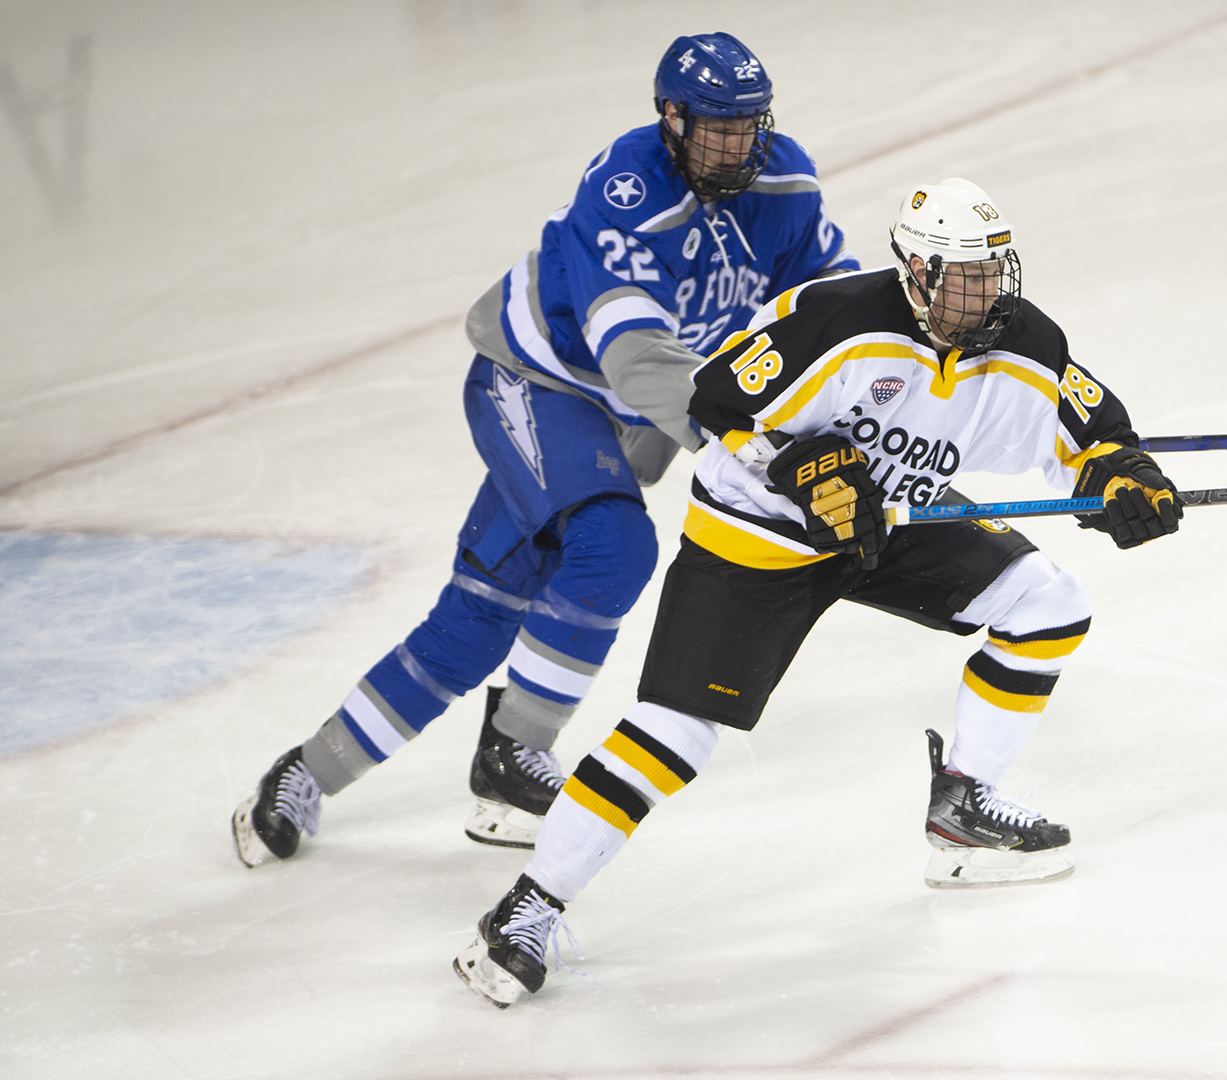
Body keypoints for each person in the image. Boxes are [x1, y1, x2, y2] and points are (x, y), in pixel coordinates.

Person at [452, 177, 1184, 1007]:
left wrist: (1124, 477)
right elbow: (718, 398)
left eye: (993, 272)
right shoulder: (833, 319)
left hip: (892, 515)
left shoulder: (1025, 341)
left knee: (1047, 601)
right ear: (915, 272)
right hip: (757, 535)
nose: (983, 293)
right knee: (678, 734)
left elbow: (1092, 431)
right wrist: (804, 466)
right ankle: (528, 907)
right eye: (962, 275)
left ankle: (965, 809)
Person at [231, 32, 858, 867]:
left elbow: (830, 315)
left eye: (748, 127)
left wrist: (864, 431)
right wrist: (763, 451)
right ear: (670, 119)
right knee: (616, 544)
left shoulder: (786, 180)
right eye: (715, 127)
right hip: (539, 383)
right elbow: (636, 359)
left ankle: (308, 772)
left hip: (628, 423)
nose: (735, 146)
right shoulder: (628, 187)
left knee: (479, 618)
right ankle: (515, 748)